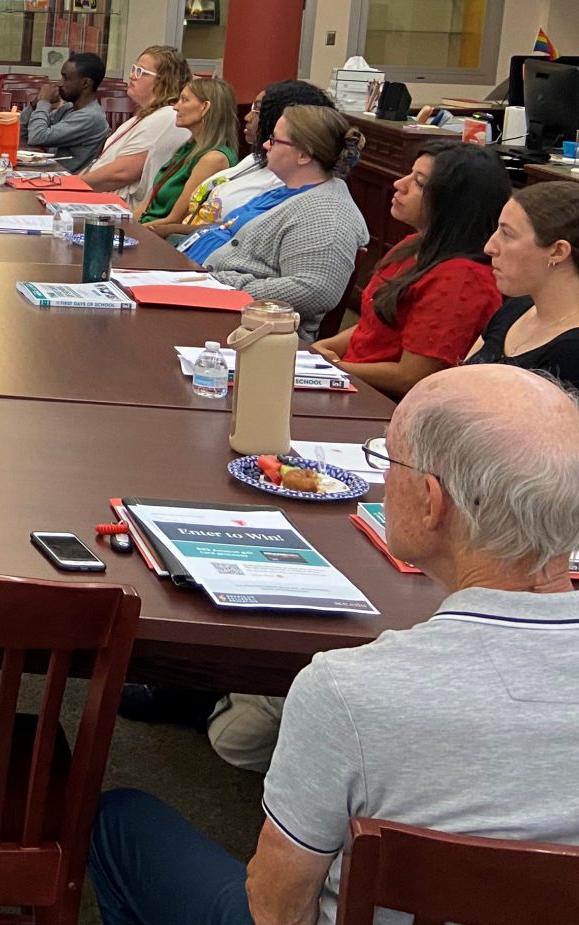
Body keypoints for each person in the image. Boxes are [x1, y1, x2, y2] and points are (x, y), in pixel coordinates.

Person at [89, 364, 579, 925]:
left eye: (390, 461)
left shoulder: (349, 691)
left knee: (118, 820)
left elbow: (276, 912)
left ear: (431, 501)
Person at [310, 143, 509, 399]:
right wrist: (322, 349)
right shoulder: (414, 244)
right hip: (355, 382)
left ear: (455, 202)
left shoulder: (463, 278)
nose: (399, 184)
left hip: (386, 403)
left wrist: (335, 367)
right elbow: (375, 324)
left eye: (419, 182)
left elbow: (412, 377)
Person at [183, 104, 368, 341]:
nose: (265, 145)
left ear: (304, 155)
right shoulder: (289, 191)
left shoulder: (327, 214)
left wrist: (225, 286)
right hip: (215, 303)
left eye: (274, 140)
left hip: (254, 332)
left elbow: (313, 290)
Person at [176, 79, 338, 237]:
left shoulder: (286, 180)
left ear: (278, 117)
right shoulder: (256, 158)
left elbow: (234, 231)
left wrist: (169, 229)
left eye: (258, 109)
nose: (247, 117)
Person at [466, 182, 579, 384]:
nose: (489, 247)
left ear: (558, 251)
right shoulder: (516, 308)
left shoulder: (572, 352)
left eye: (507, 234)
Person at [83, 45, 190, 205]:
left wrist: (74, 185)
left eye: (141, 72)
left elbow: (122, 173)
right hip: (101, 198)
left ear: (164, 81)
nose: (132, 76)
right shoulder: (145, 116)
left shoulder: (168, 116)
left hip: (118, 207)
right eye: (134, 69)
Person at [139, 77, 240, 230]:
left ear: (205, 107)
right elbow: (147, 205)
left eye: (184, 100)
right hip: (146, 227)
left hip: (161, 236)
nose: (175, 107)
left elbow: (175, 220)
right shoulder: (188, 148)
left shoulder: (213, 159)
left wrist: (130, 231)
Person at [19, 51, 109, 172]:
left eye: (66, 78)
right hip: (51, 172)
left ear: (85, 83)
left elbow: (37, 136)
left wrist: (44, 102)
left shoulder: (90, 117)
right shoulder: (68, 108)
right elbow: (22, 131)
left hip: (67, 179)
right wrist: (35, 104)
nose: (60, 83)